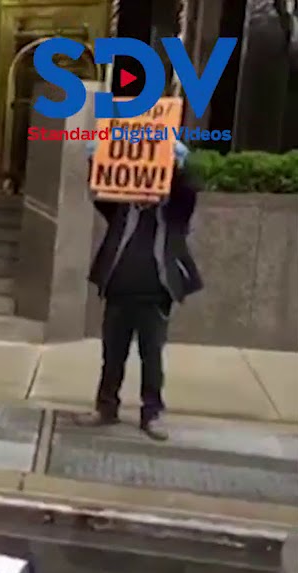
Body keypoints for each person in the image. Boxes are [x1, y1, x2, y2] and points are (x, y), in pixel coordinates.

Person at [76, 139, 202, 441]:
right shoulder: (119, 209)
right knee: (113, 355)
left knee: (152, 357)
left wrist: (172, 161)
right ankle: (106, 408)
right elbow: (100, 182)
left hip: (155, 294)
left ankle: (153, 413)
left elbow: (189, 189)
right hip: (119, 291)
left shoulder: (173, 214)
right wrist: (98, 156)